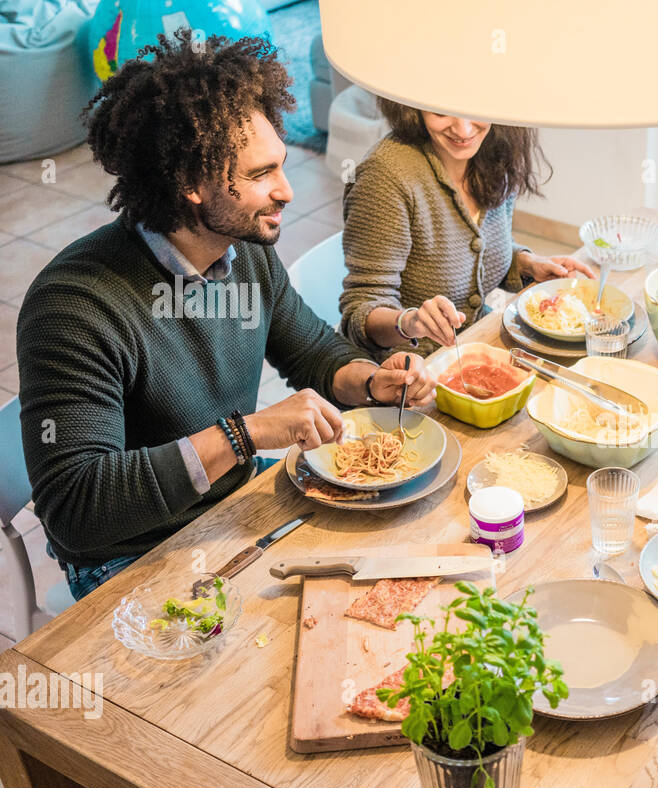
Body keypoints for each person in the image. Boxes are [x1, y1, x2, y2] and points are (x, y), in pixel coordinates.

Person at [17, 32, 436, 601]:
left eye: (281, 166)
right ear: (191, 184)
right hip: (130, 555)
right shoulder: (76, 306)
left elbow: (309, 349)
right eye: (261, 174)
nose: (286, 190)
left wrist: (370, 380)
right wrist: (245, 434)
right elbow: (78, 507)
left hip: (230, 504)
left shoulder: (246, 249)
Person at [339, 99, 594, 361]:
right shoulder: (385, 177)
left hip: (475, 346)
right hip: (409, 373)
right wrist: (409, 322)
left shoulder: (496, 151)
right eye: (441, 110)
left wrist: (529, 264)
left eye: (474, 107)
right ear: (413, 106)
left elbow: (476, 250)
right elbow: (361, 309)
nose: (463, 130)